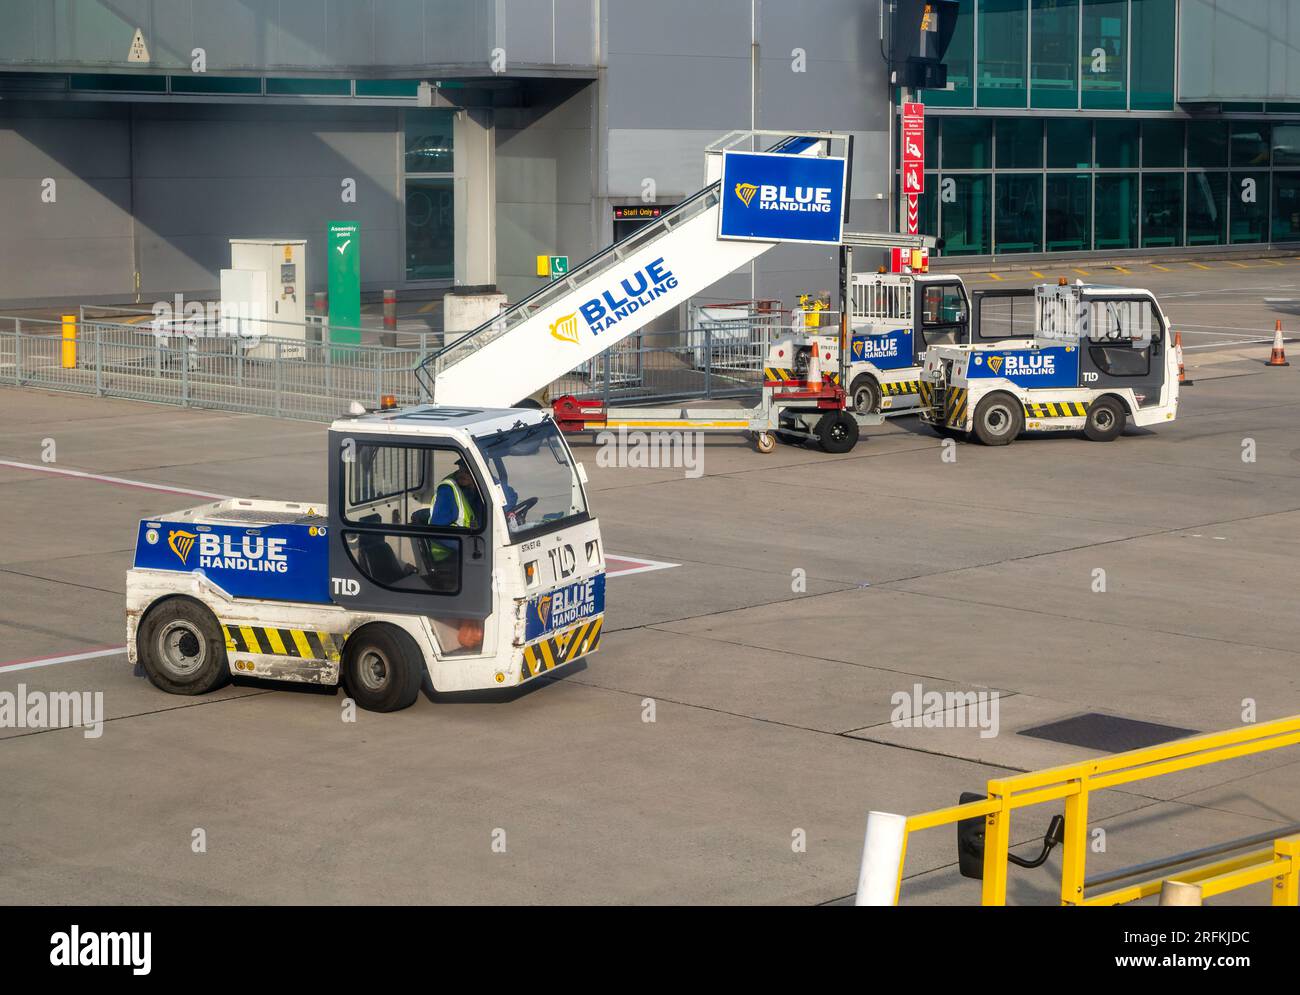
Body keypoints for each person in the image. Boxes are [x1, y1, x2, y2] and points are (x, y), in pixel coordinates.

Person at [428, 458, 483, 529]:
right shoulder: (447, 490)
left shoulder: (478, 486)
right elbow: (438, 529)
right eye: (461, 470)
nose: (462, 474)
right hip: (461, 537)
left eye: (467, 471)